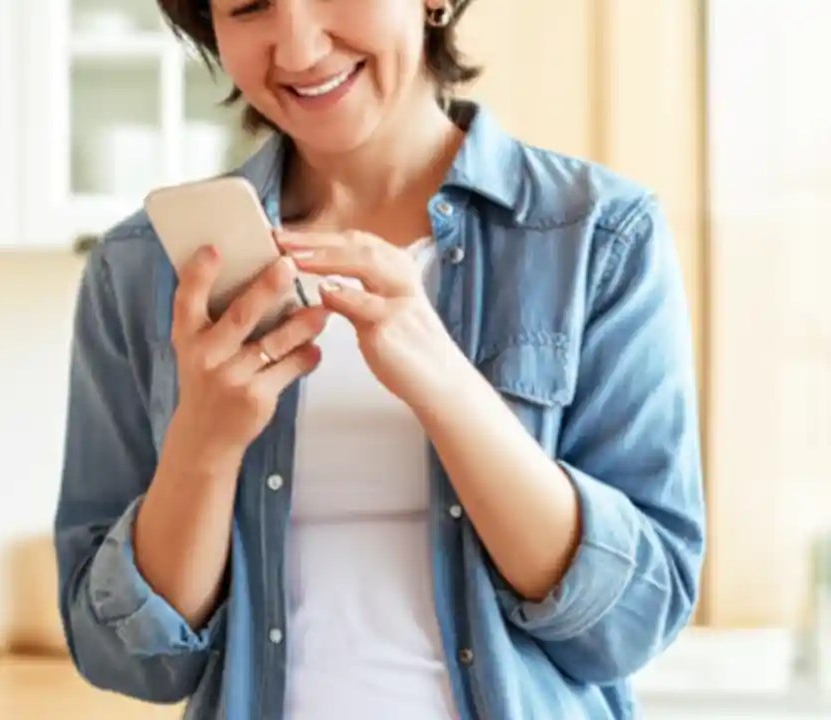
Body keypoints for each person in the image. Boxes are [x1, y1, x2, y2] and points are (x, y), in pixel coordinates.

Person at [53, 0, 706, 718]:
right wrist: (203, 441)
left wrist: (447, 389)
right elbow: (127, 659)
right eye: (248, 6)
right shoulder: (141, 270)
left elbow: (633, 623)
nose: (298, 49)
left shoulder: (599, 238)